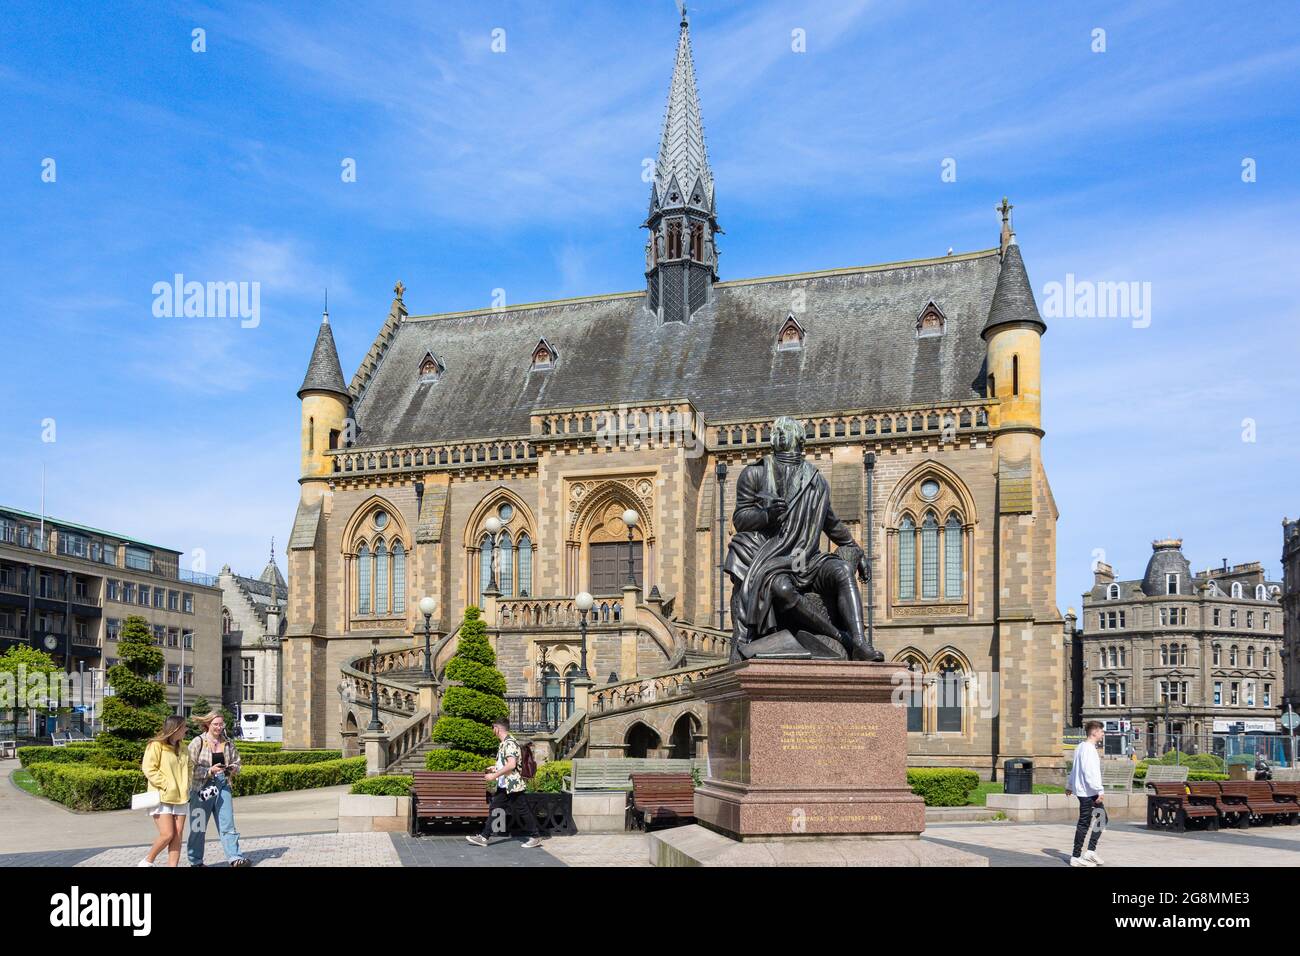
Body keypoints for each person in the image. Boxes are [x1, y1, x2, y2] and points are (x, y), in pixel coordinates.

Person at [725, 416, 883, 661]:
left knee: (841, 570)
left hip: (807, 559)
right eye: (779, 436)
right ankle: (843, 639)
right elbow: (740, 518)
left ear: (799, 442)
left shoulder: (816, 481)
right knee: (782, 588)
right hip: (772, 557)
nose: (782, 441)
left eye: (787, 436)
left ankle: (861, 643)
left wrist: (854, 548)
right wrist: (766, 515)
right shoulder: (754, 474)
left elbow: (831, 522)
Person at [465, 718, 542, 849]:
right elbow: (507, 763)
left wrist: (493, 775)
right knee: (495, 808)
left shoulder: (509, 743)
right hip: (505, 785)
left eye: (492, 728)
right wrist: (495, 768)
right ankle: (484, 837)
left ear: (497, 728)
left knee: (523, 810)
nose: (492, 731)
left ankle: (535, 836)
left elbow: (511, 765)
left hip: (512, 785)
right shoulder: (505, 743)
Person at [187, 712, 247, 867]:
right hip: (202, 788)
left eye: (221, 724)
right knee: (198, 826)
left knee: (227, 824)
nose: (219, 728)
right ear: (208, 724)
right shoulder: (197, 742)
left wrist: (233, 768)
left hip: (223, 785)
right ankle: (196, 861)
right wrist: (209, 771)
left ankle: (235, 857)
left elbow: (237, 762)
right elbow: (188, 768)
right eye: (216, 724)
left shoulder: (228, 742)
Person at [139, 715, 192, 867]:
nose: (186, 730)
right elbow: (149, 768)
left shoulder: (183, 747)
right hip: (161, 795)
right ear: (175, 729)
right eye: (184, 727)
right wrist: (166, 784)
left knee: (178, 834)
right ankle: (147, 861)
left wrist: (186, 783)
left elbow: (190, 767)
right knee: (167, 834)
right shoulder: (156, 745)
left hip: (181, 796)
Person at [1066, 720, 1106, 867]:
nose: (1103, 734)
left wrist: (1069, 785)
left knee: (1102, 818)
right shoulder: (1088, 749)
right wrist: (1099, 790)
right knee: (1084, 823)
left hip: (1088, 791)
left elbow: (1074, 768)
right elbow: (1089, 773)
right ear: (1094, 732)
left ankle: (1090, 852)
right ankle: (1076, 856)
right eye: (1101, 731)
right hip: (1088, 792)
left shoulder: (1080, 747)